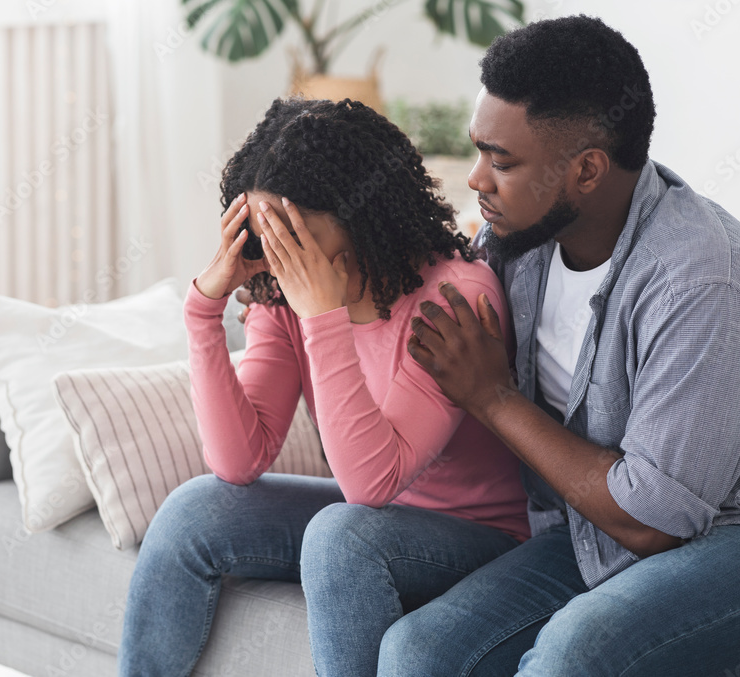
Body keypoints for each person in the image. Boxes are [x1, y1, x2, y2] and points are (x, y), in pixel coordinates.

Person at [377, 14, 740, 675]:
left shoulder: (703, 284)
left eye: (502, 161)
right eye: (479, 151)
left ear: (586, 170)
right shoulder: (518, 245)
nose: (476, 179)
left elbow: (651, 519)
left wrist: (493, 397)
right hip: (593, 528)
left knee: (575, 652)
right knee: (419, 650)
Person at [116, 97, 532, 677]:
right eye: (265, 235)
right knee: (193, 511)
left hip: (477, 539)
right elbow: (238, 460)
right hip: (375, 524)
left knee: (340, 534)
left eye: (295, 237)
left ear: (361, 219)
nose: (280, 257)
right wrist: (203, 309)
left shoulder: (454, 296)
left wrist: (322, 317)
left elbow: (370, 484)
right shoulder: (284, 295)